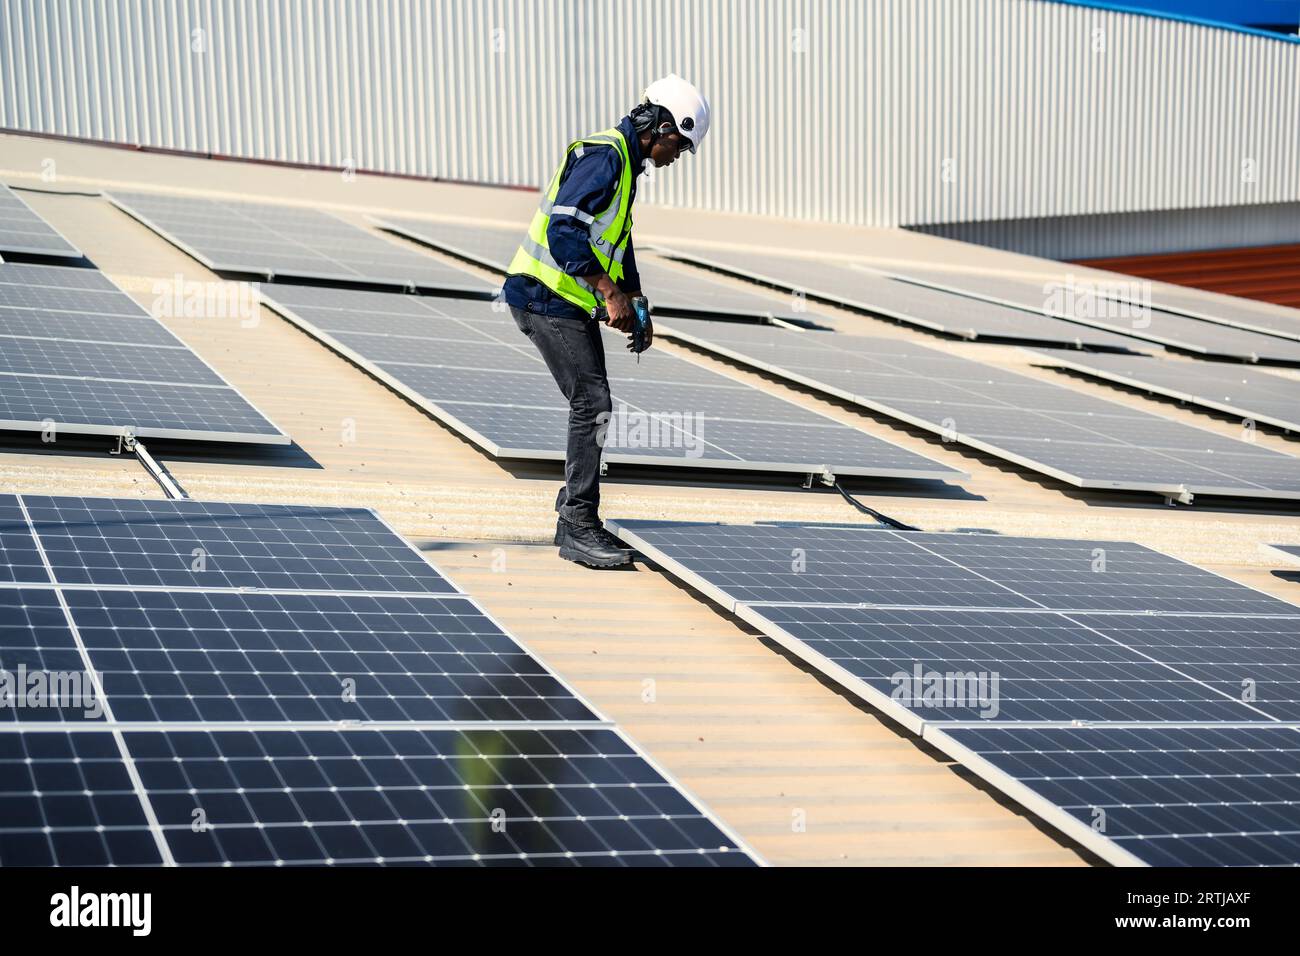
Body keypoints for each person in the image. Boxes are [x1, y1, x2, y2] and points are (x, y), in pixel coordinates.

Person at [504, 74, 711, 567]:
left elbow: (618, 238)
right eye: (677, 146)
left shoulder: (624, 164)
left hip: (562, 300)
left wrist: (635, 297)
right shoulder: (605, 158)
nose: (675, 157)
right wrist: (606, 290)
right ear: (659, 127)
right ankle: (577, 524)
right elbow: (564, 231)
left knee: (593, 401)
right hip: (543, 296)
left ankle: (574, 513)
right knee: (592, 401)